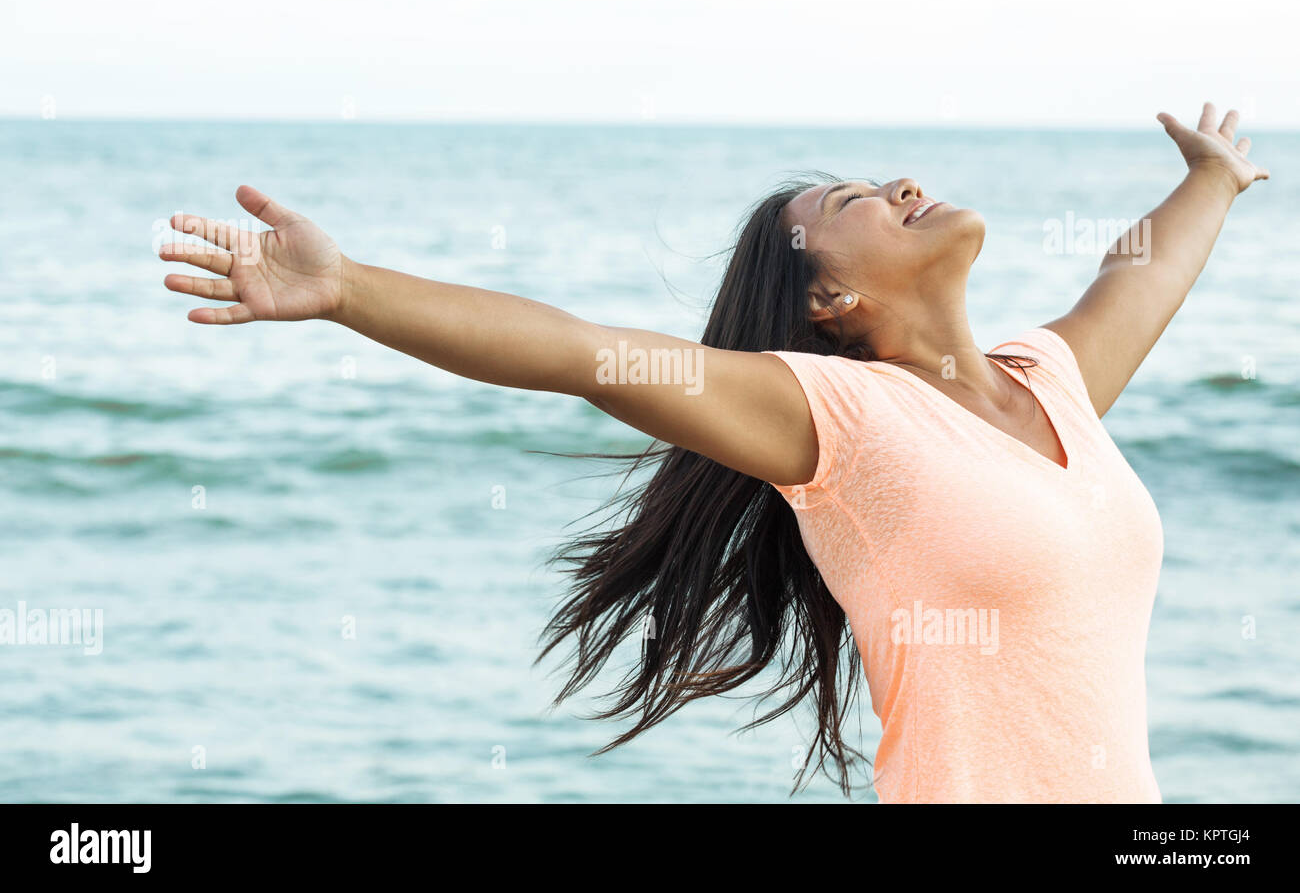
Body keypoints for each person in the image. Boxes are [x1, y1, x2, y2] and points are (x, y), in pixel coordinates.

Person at [158, 103, 1268, 802]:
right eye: (858, 202)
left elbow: (1141, 276)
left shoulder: (1048, 381)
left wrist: (1210, 175)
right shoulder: (833, 413)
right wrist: (348, 291)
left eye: (888, 179)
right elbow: (586, 355)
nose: (902, 186)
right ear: (828, 296)